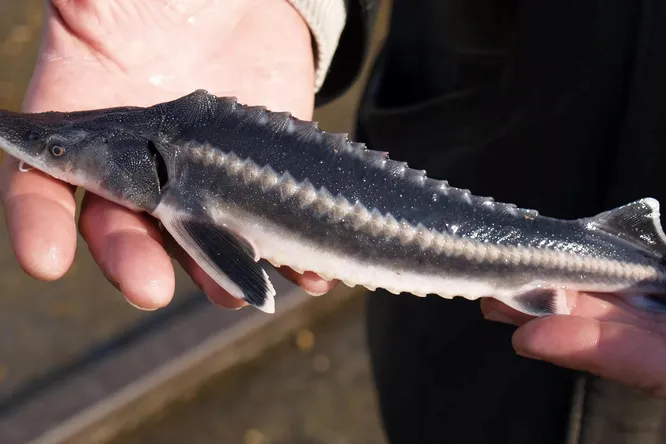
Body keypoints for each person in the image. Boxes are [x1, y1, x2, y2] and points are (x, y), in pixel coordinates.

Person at [2, 0, 666, 442]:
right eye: (57, 148)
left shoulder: (187, 199)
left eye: (59, 154)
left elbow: (250, 284)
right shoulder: (164, 146)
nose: (48, 155)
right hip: (473, 102)